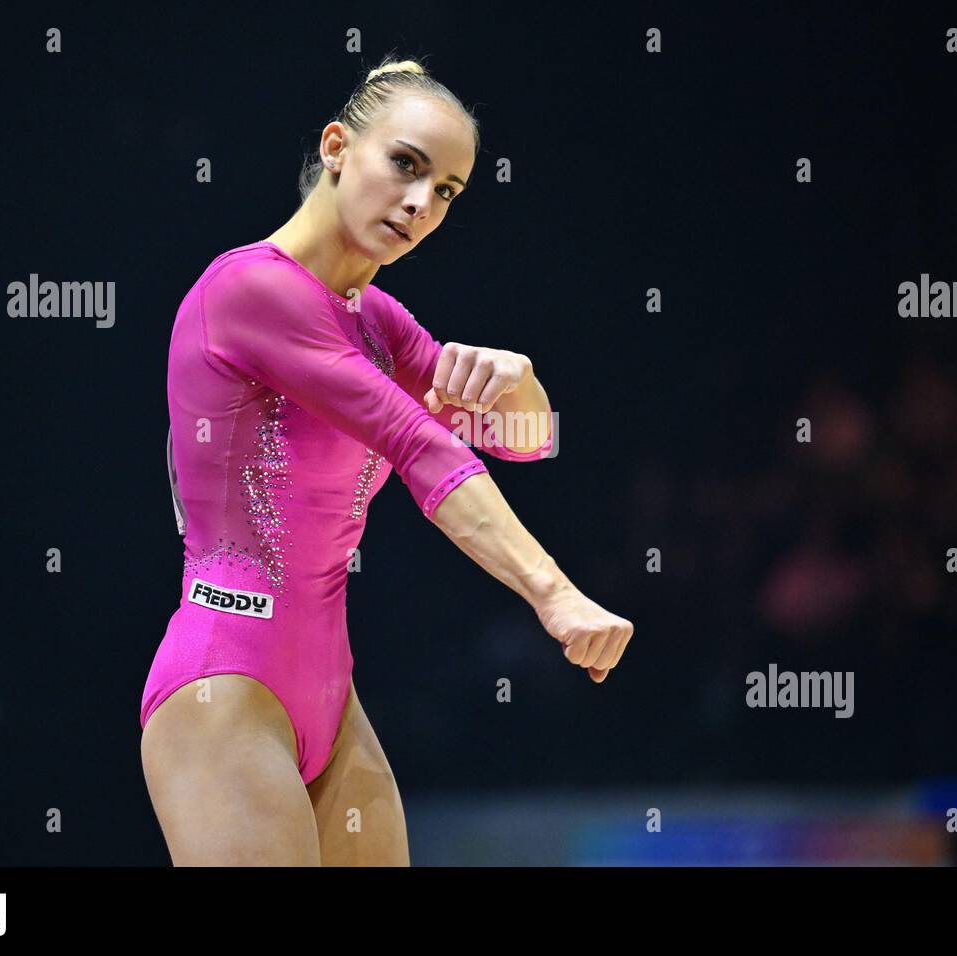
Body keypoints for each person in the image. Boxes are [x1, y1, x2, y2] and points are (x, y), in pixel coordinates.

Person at [139, 56, 634, 866]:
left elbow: (524, 438)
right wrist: (555, 594)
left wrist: (523, 381)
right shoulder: (250, 291)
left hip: (331, 696)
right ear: (338, 146)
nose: (419, 204)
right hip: (225, 684)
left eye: (446, 190)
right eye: (405, 165)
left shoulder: (375, 321)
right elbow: (421, 443)